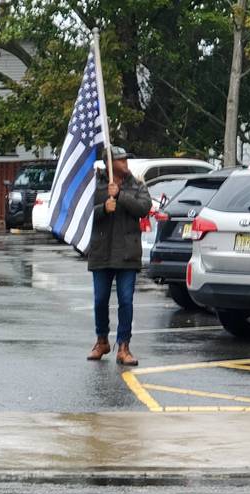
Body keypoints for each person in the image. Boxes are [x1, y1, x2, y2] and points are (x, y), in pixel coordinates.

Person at [86, 146, 152, 366]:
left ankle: (123, 346)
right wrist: (104, 207)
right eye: (121, 160)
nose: (126, 164)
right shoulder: (95, 185)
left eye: (126, 160)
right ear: (109, 163)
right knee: (100, 300)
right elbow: (83, 214)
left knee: (126, 300)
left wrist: (120, 196)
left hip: (127, 253)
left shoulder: (137, 184)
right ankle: (101, 340)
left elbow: (144, 207)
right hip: (101, 251)